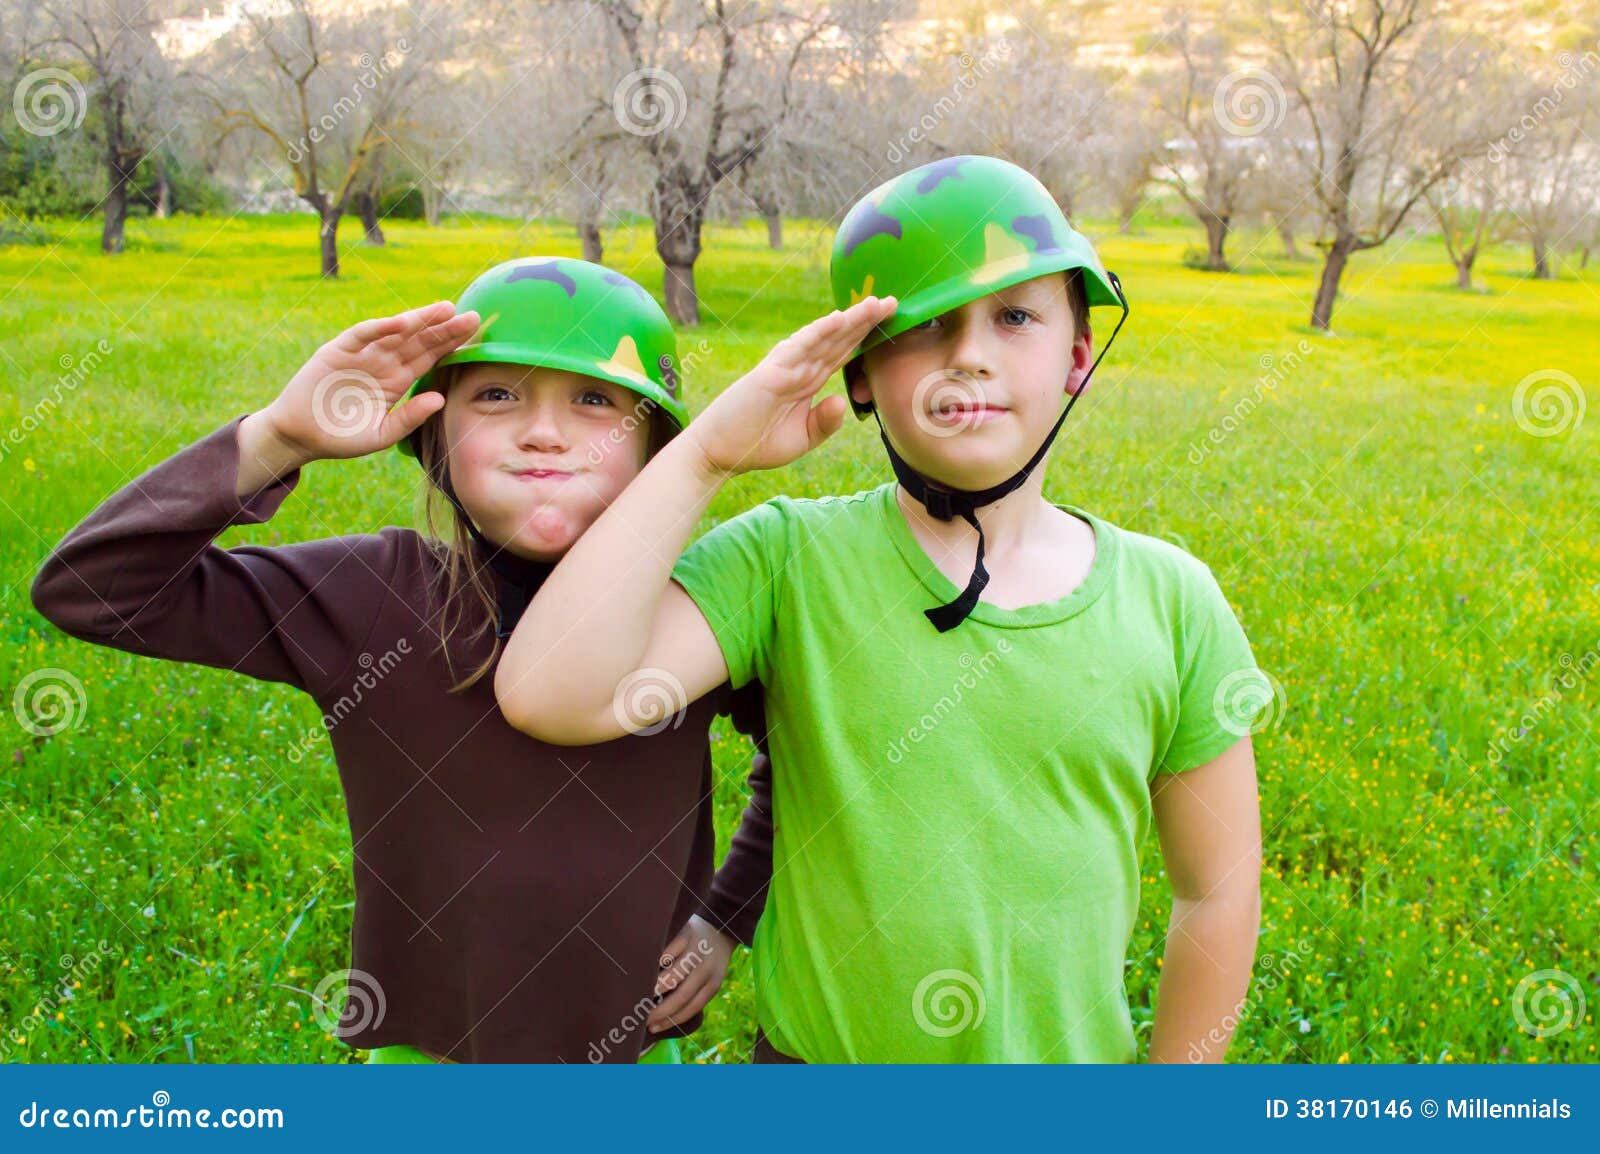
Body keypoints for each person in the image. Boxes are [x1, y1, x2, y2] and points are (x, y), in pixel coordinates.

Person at [496, 156, 1266, 1063]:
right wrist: (708, 455)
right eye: (925, 327)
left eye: (1015, 317)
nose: (969, 354)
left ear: (1077, 356)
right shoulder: (787, 560)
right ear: (860, 376)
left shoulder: (1173, 601)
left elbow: (1217, 890)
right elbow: (551, 691)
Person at [31, 257, 772, 1063]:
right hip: (424, 1060)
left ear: (659, 451)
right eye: (497, 394)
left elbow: (815, 755)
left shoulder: (692, 611)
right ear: (432, 436)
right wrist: (279, 437)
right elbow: (91, 589)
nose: (544, 431)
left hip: (633, 1061)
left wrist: (726, 916)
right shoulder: (370, 593)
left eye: (594, 401)